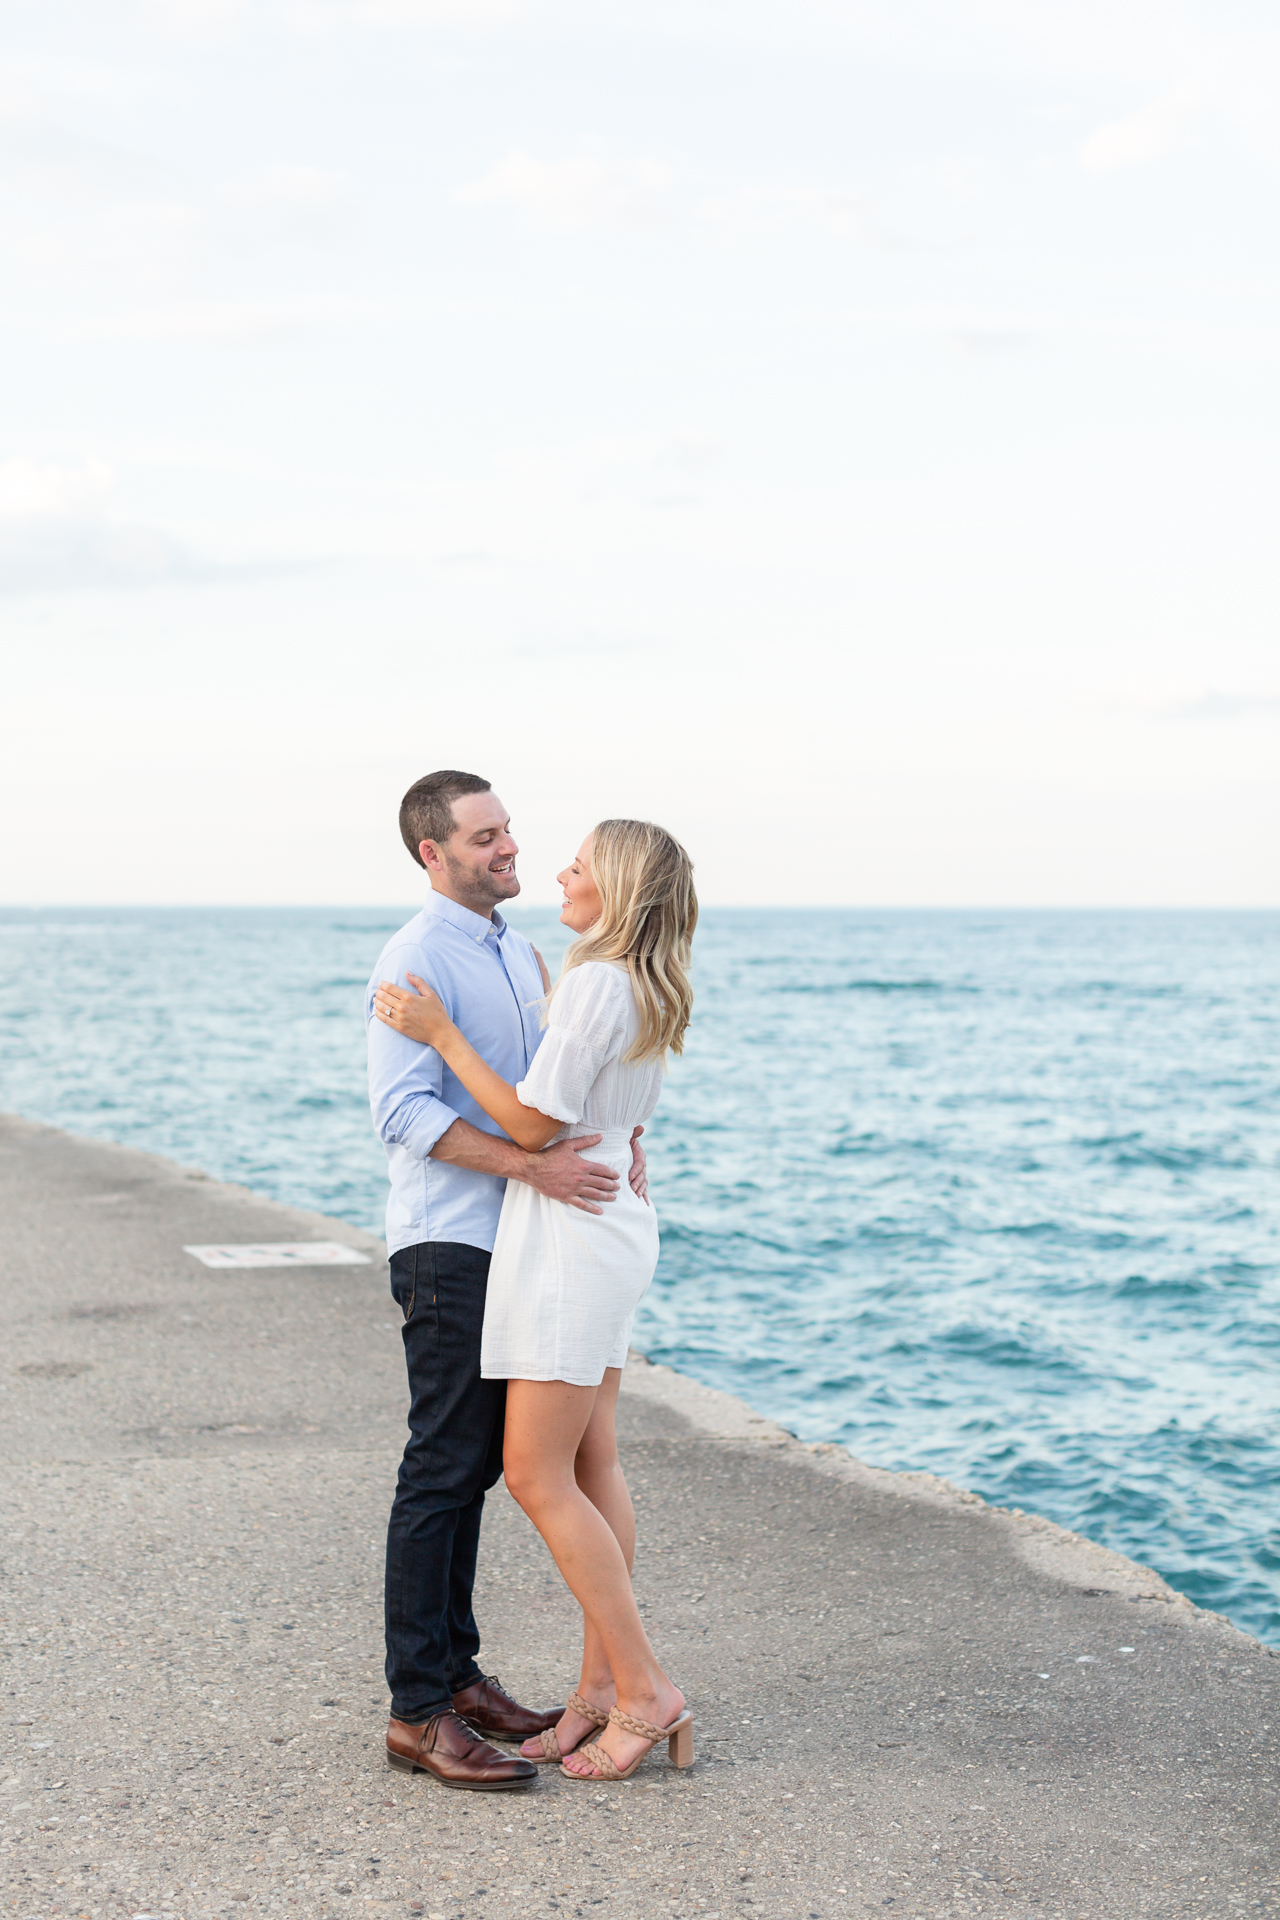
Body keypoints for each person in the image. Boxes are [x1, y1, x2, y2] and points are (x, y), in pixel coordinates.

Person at [373, 816, 697, 1784]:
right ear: (432, 852)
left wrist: (436, 1034)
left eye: (578, 862)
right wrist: (613, 1132)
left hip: (568, 1238)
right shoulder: (621, 975)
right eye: (494, 834)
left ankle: (641, 1690)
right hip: (597, 1226)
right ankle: (598, 1691)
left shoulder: (587, 977)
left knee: (532, 1472)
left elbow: (526, 1114)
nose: (549, 864)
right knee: (589, 1461)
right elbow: (586, 1101)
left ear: (620, 887)